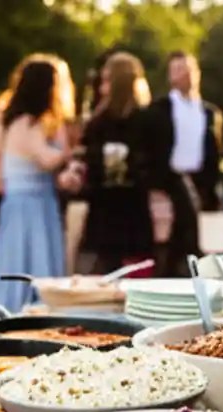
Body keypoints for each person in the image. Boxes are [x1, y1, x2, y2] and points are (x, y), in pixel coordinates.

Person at [0, 56, 81, 313]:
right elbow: (47, 159)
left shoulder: (13, 120)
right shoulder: (28, 123)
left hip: (27, 202)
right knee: (31, 262)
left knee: (23, 260)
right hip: (30, 207)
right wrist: (67, 145)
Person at [145, 51, 223, 277]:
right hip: (170, 178)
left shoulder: (210, 112)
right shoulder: (160, 109)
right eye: (178, 69)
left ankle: (179, 271)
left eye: (188, 69)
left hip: (198, 178)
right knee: (183, 230)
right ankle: (186, 269)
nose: (185, 75)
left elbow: (214, 152)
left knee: (186, 233)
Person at [76, 51, 154, 275]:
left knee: (132, 276)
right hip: (110, 214)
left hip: (127, 213)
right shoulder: (99, 124)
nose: (102, 88)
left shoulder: (144, 121)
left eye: (107, 80)